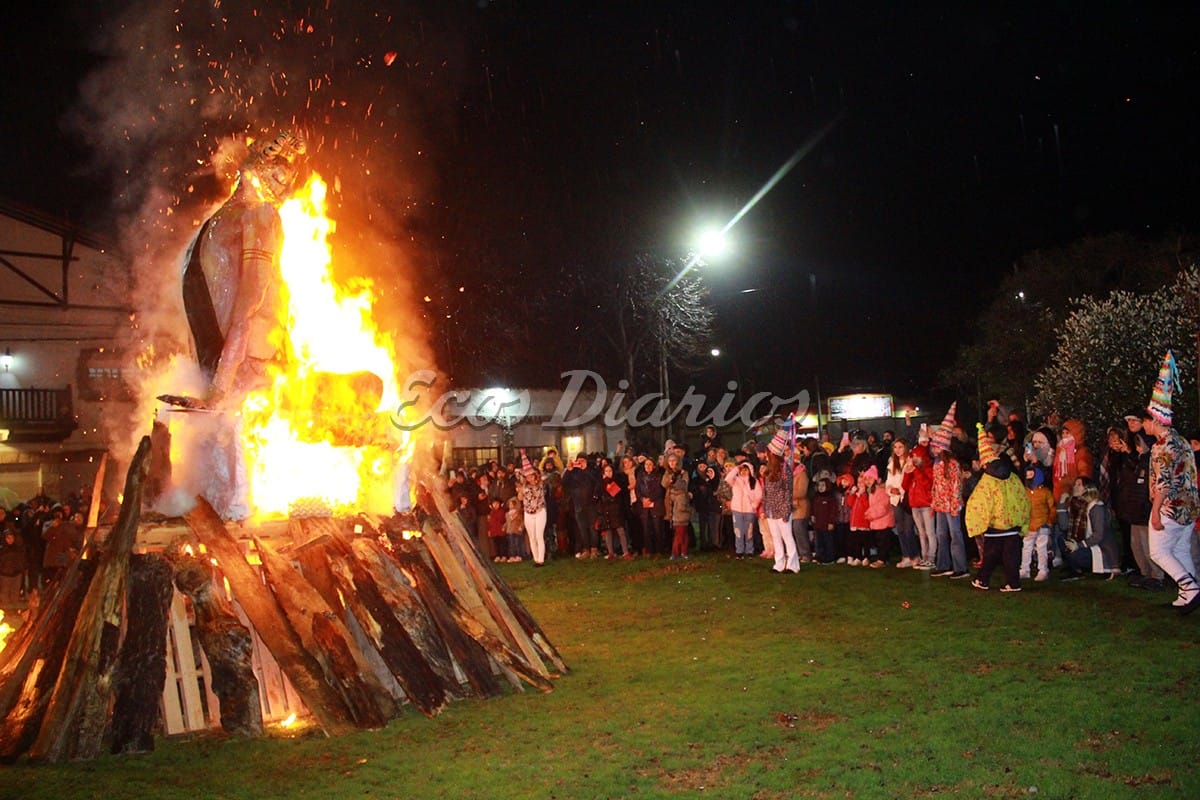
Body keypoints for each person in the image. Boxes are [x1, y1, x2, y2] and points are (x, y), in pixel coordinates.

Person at [1142, 351, 1200, 613]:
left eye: (1146, 419)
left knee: (1159, 552)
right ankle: (1188, 594)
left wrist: (1155, 512)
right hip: (1189, 507)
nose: (1144, 425)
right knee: (1180, 549)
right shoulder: (1183, 440)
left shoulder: (1161, 447)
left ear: (1155, 420)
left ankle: (1189, 586)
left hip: (1171, 508)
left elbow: (1163, 482)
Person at [967, 423, 1031, 592]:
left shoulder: (987, 481)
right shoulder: (1013, 478)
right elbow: (1022, 498)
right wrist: (1022, 521)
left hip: (995, 525)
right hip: (1013, 524)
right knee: (1011, 554)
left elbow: (980, 503)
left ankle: (982, 579)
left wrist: (979, 524)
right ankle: (1013, 582)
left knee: (990, 555)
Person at [929, 407, 969, 578]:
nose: (933, 450)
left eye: (935, 447)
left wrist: (955, 503)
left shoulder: (952, 464)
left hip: (951, 504)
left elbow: (955, 485)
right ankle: (943, 564)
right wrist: (934, 503)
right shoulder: (936, 464)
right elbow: (936, 485)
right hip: (940, 505)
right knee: (941, 534)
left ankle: (961, 567)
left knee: (955, 534)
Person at [1060, 477, 1121, 580]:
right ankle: (1076, 570)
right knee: (1062, 539)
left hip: (1100, 548)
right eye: (1075, 484)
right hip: (1086, 543)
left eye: (1079, 485)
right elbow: (1063, 526)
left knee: (1075, 553)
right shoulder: (1076, 505)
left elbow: (1098, 535)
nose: (1075, 487)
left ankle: (1103, 569)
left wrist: (1079, 545)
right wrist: (1061, 505)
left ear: (1087, 489)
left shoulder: (1096, 507)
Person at [760, 434, 799, 573]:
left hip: (781, 508)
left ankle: (793, 564)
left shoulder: (784, 469)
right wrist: (764, 508)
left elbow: (788, 491)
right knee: (775, 537)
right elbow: (766, 492)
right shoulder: (768, 470)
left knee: (787, 537)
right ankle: (779, 563)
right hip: (771, 509)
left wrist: (785, 511)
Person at [1020, 464, 1055, 582]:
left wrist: (1050, 521)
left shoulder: (1045, 492)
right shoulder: (1024, 492)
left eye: (1031, 475)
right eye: (1027, 475)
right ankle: (1025, 569)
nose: (1029, 477)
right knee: (1026, 547)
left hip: (1042, 523)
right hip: (1029, 524)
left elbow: (1052, 508)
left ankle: (1043, 570)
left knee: (1041, 548)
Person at [903, 442, 935, 569]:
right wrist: (907, 472)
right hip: (915, 504)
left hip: (926, 504)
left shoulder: (927, 469)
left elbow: (927, 485)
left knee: (930, 532)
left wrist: (916, 471)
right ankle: (924, 556)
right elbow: (905, 486)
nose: (914, 459)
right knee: (921, 533)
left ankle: (931, 558)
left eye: (916, 456)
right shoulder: (913, 470)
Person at [563, 456, 600, 558]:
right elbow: (564, 483)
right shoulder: (573, 473)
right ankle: (586, 549)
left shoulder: (592, 471)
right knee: (582, 528)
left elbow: (595, 481)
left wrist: (585, 469)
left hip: (591, 504)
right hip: (578, 505)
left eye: (582, 461)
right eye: (578, 461)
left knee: (593, 528)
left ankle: (594, 549)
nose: (580, 463)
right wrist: (568, 470)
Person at [725, 462, 762, 559]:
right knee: (738, 531)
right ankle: (739, 551)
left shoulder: (754, 482)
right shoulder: (736, 480)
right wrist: (737, 468)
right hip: (737, 509)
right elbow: (728, 478)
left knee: (749, 531)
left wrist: (754, 505)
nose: (743, 472)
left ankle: (749, 550)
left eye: (746, 470)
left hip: (749, 510)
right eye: (742, 470)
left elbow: (759, 495)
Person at [596, 463, 633, 559]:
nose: (608, 473)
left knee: (620, 530)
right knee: (608, 531)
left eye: (610, 471)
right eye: (606, 471)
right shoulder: (601, 483)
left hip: (616, 509)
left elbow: (618, 493)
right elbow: (597, 494)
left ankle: (625, 552)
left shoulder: (618, 481)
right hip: (606, 510)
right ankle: (610, 552)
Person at [517, 452, 548, 566]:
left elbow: (544, 477)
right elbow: (520, 498)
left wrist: (535, 471)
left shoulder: (540, 484)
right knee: (532, 536)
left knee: (539, 535)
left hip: (540, 511)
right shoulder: (524, 486)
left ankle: (541, 559)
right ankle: (536, 559)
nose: (529, 478)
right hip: (528, 512)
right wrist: (520, 490)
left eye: (531, 475)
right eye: (527, 476)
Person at [862, 466, 895, 567]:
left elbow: (882, 507)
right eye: (866, 479)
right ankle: (883, 558)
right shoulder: (872, 491)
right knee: (880, 541)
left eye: (870, 478)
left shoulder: (880, 491)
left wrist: (871, 515)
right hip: (878, 522)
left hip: (884, 521)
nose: (867, 481)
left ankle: (882, 560)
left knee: (883, 542)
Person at [0, 528, 26, 606]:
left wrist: (23, 568)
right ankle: (7, 611)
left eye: (12, 537)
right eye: (8, 538)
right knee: (5, 593)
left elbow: (23, 559)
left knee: (15, 593)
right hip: (5, 575)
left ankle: (13, 610)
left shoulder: (18, 548)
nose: (10, 540)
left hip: (17, 574)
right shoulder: (2, 549)